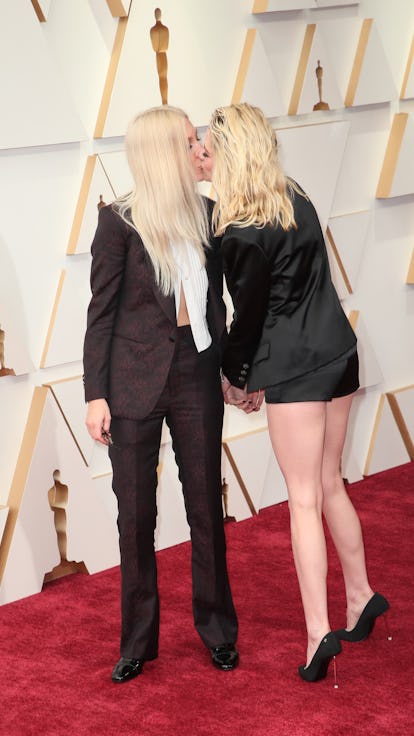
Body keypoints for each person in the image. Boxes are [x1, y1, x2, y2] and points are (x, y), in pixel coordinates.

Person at [200, 102, 389, 683]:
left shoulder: (238, 231)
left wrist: (237, 377)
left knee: (303, 497)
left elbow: (249, 319)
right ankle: (359, 597)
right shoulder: (297, 197)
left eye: (208, 147)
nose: (200, 154)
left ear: (232, 156)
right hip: (338, 353)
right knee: (331, 483)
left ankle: (317, 634)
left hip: (296, 371)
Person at [83, 105, 238, 684]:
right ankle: (136, 643)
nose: (199, 148)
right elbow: (99, 314)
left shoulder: (207, 214)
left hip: (196, 370)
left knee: (205, 507)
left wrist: (229, 367)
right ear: (159, 152)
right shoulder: (118, 222)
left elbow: (215, 303)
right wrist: (96, 394)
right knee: (135, 517)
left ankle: (218, 631)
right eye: (189, 140)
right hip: (132, 382)